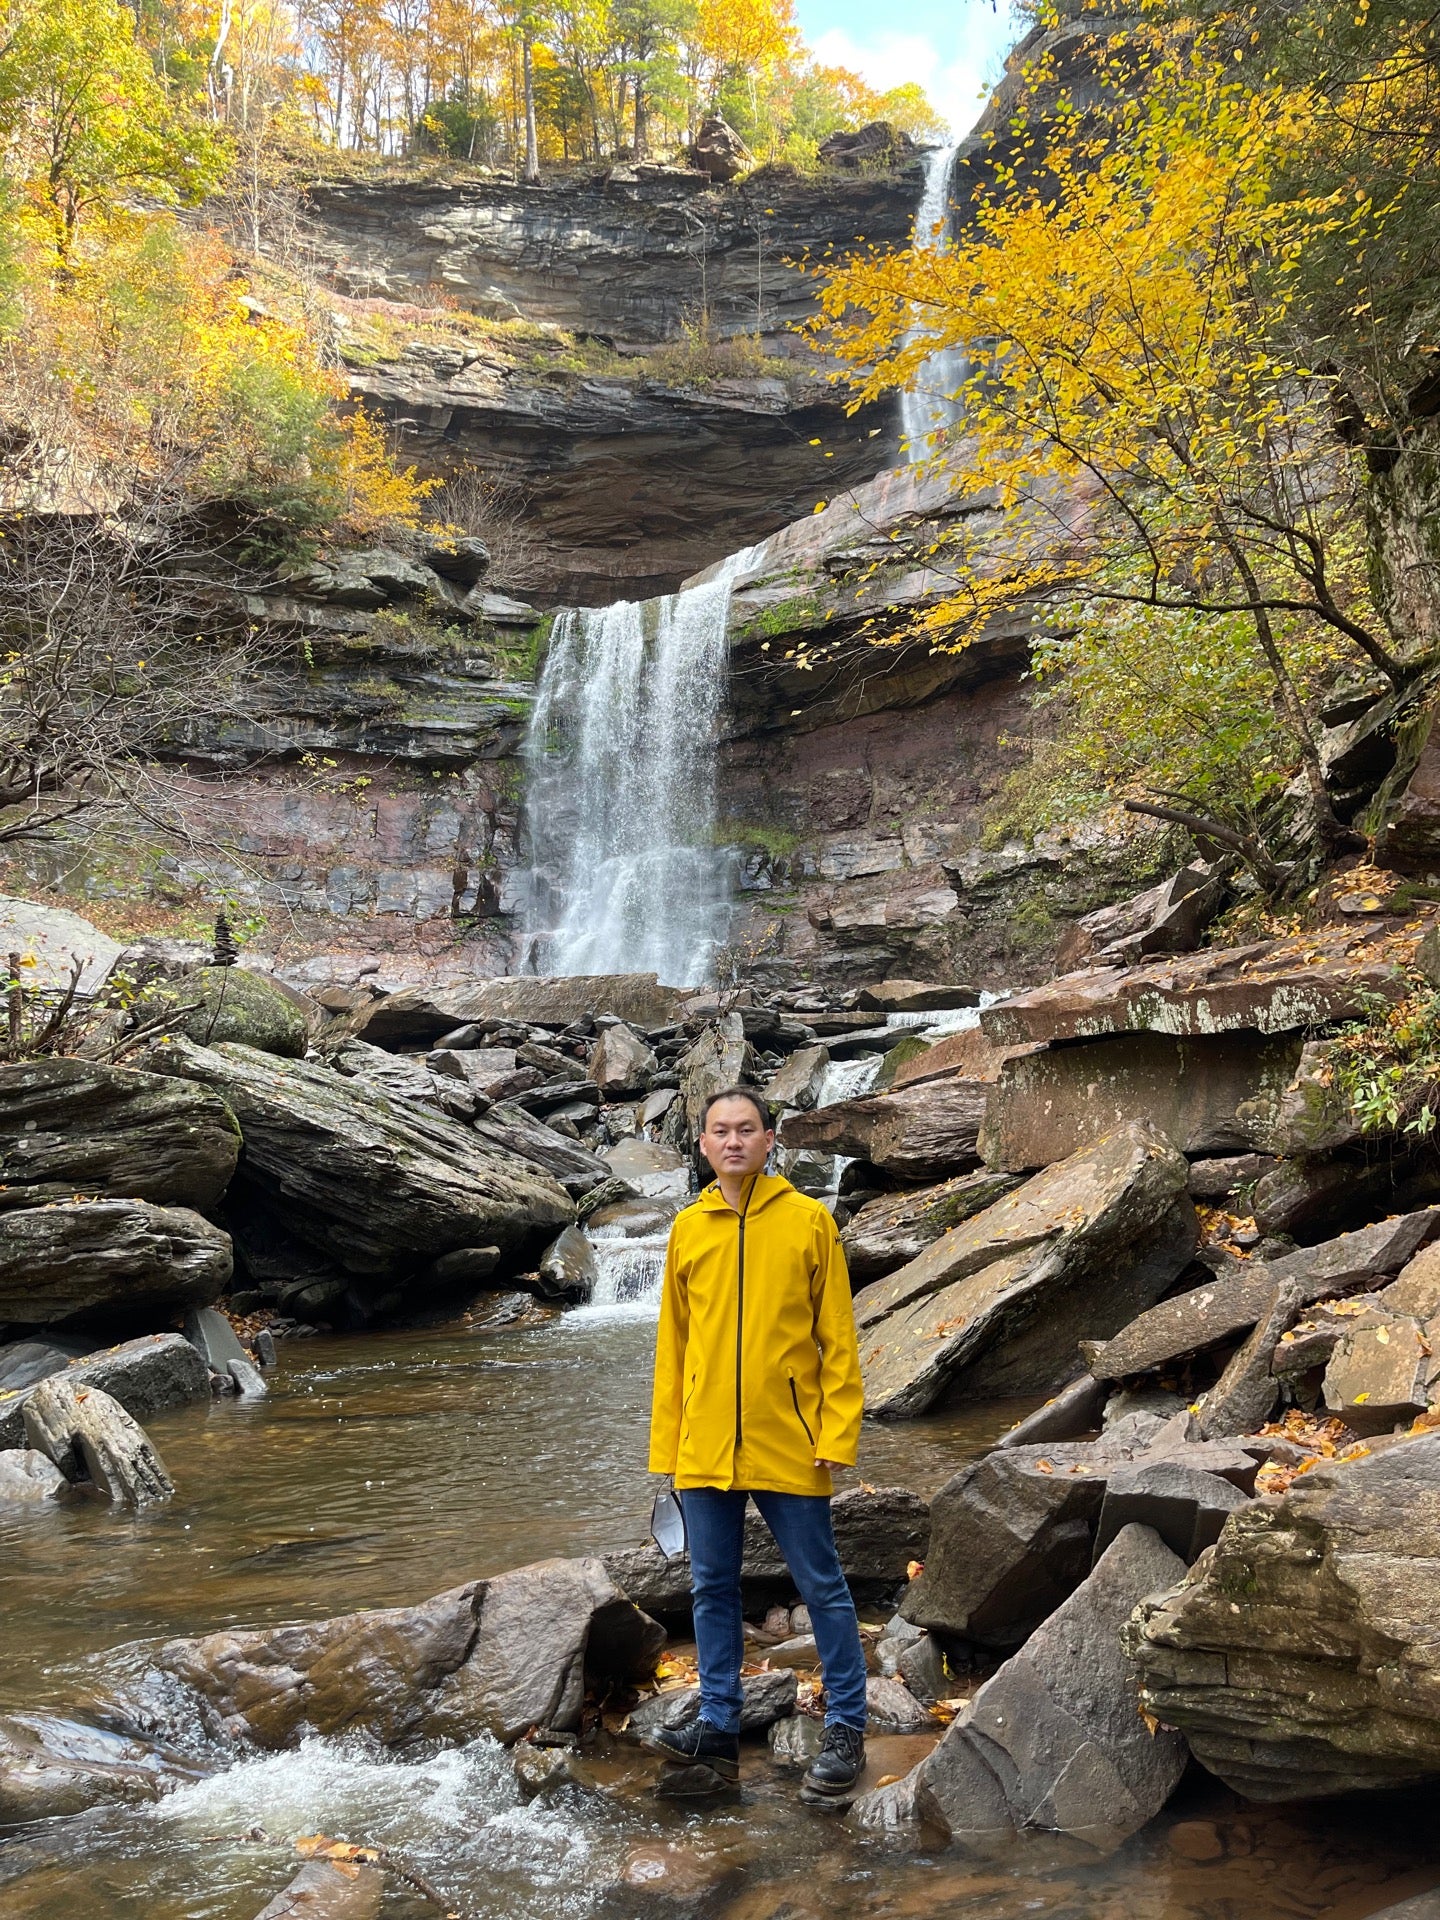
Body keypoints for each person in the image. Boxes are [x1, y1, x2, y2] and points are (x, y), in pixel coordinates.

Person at [645, 1085, 869, 1802]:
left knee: (821, 1586)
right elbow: (673, 1350)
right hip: (705, 1445)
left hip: (791, 1443)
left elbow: (838, 1338)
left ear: (770, 1141)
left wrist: (837, 1430)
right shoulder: (688, 1228)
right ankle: (717, 1721)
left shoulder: (809, 1223)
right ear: (704, 1144)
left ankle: (846, 1728)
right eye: (720, 1131)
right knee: (712, 1587)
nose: (734, 1141)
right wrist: (667, 1452)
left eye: (747, 1129)